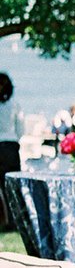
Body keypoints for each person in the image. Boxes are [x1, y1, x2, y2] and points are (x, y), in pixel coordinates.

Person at [0, 73, 21, 232]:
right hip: (11, 145)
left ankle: (4, 219)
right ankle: (14, 220)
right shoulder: (14, 104)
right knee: (12, 185)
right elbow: (21, 127)